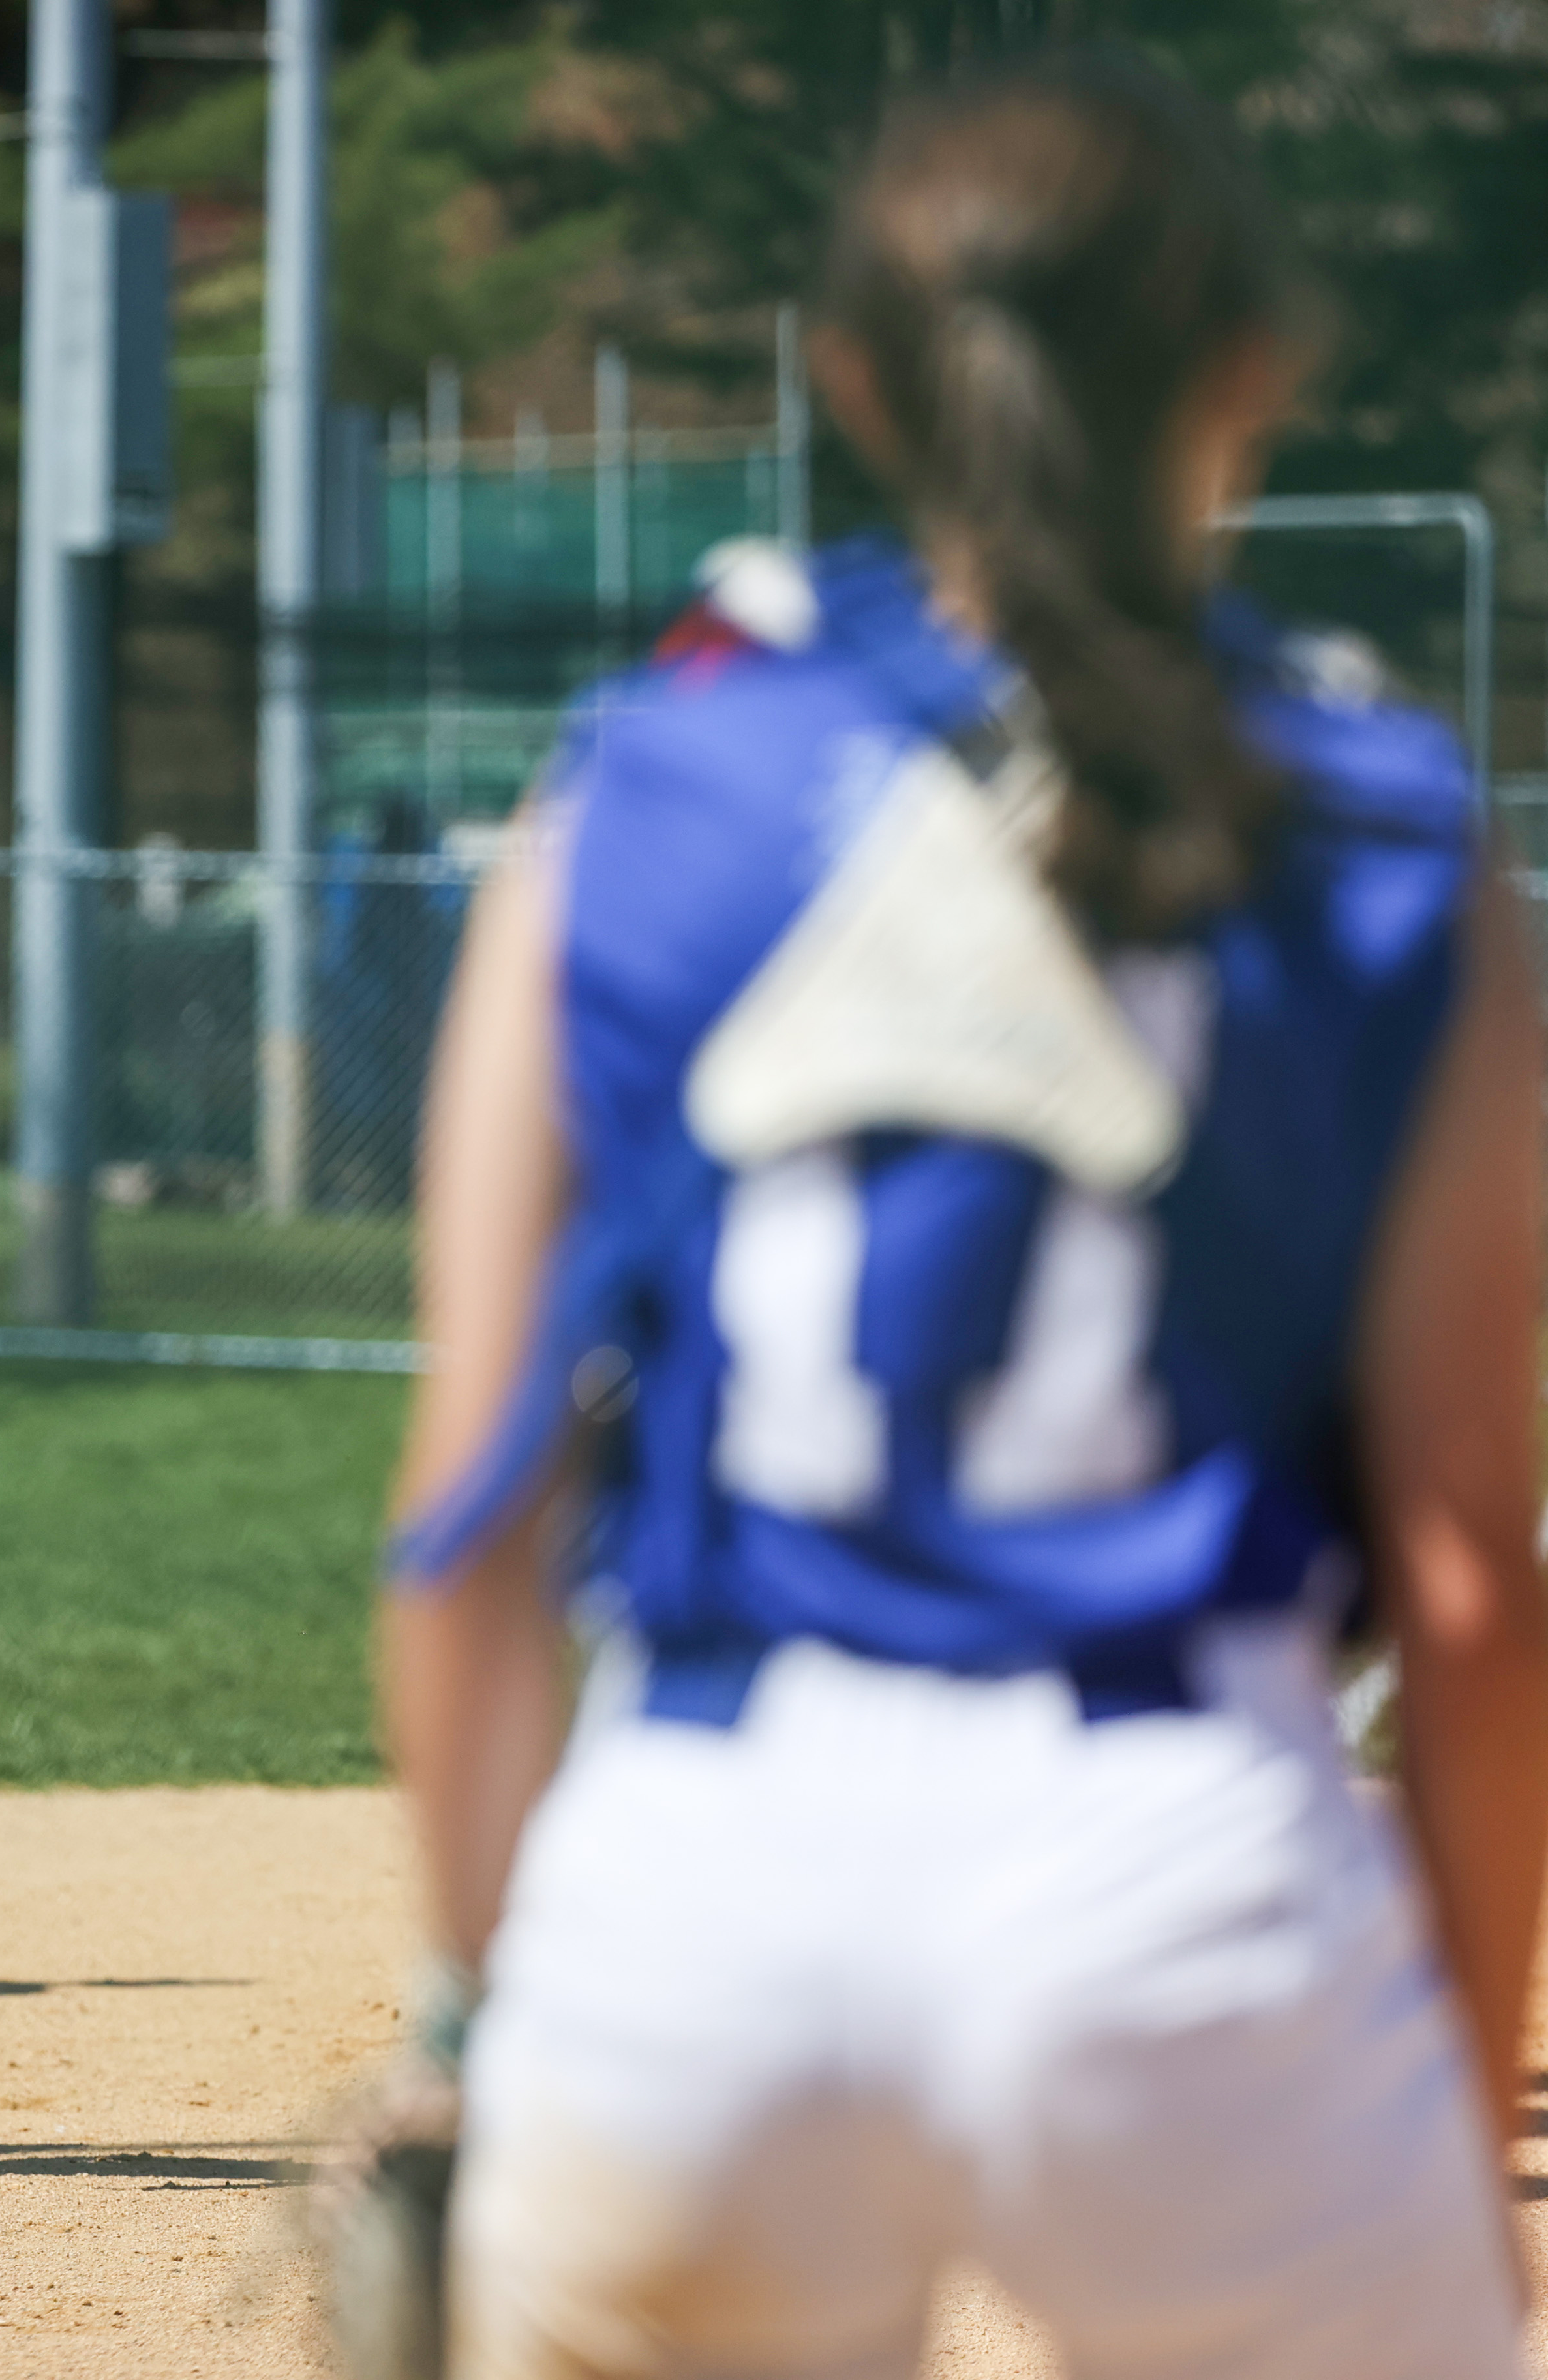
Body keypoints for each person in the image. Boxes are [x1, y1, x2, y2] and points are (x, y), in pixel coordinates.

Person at [362, 50, 1547, 2380]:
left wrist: (514, 2013)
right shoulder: (1388, 823)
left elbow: (464, 1516)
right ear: (1255, 366)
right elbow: (1469, 1581)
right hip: (1179, 1856)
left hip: (700, 1874)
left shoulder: (635, 780)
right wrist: (1440, 2079)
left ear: (853, 383)